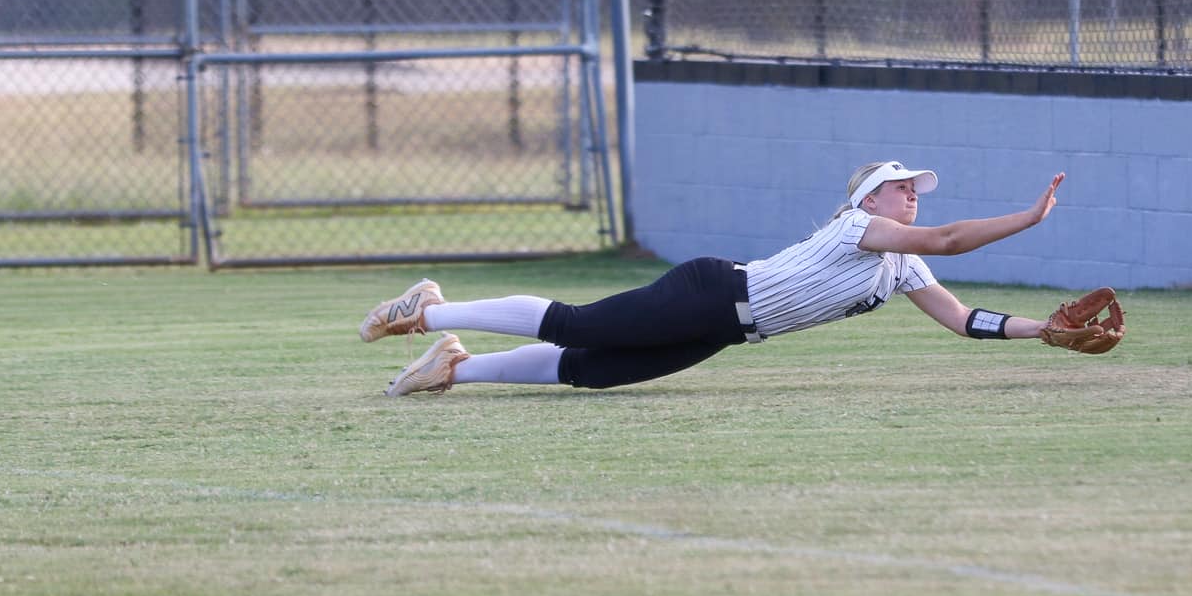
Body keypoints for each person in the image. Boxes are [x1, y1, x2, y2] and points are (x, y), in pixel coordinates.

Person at [359, 161, 1113, 396]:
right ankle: (430, 306)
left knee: (593, 372)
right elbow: (949, 240)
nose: (912, 193)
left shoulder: (901, 264)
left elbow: (961, 318)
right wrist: (1028, 218)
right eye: (900, 184)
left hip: (727, 328)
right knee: (580, 323)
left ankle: (458, 367)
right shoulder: (859, 230)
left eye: (916, 187)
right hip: (714, 289)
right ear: (867, 198)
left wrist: (1039, 329)